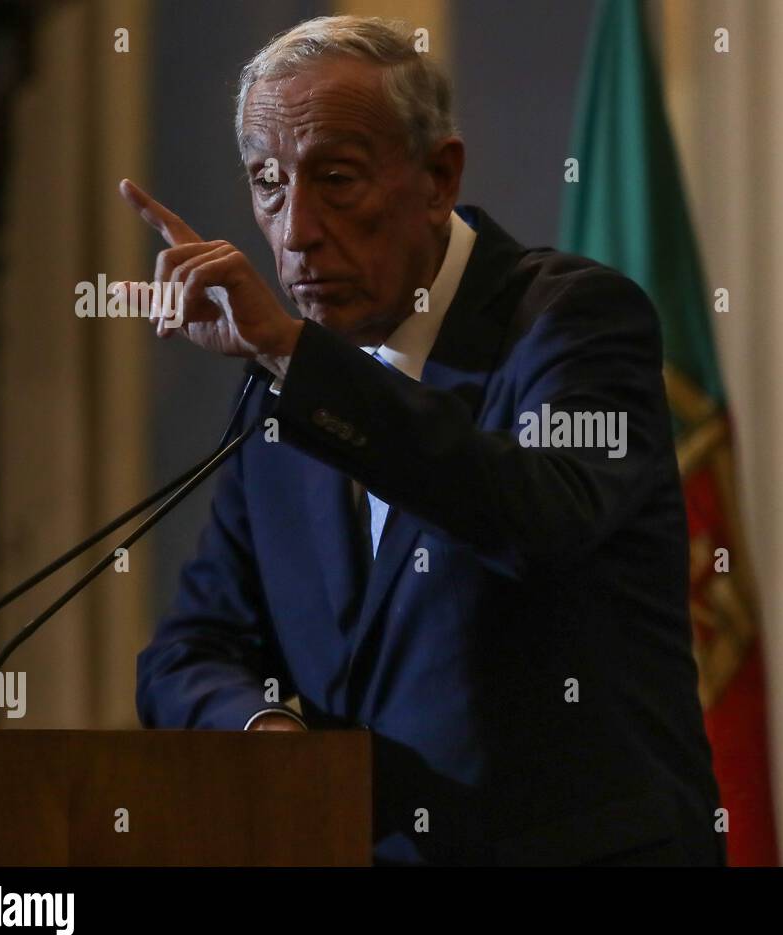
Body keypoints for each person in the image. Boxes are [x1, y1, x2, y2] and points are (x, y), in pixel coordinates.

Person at [133, 14, 723, 866]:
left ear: (439, 176)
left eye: (335, 179)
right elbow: (188, 651)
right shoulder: (284, 392)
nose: (294, 231)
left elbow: (541, 519)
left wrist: (295, 358)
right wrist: (262, 729)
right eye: (267, 183)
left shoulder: (573, 323)